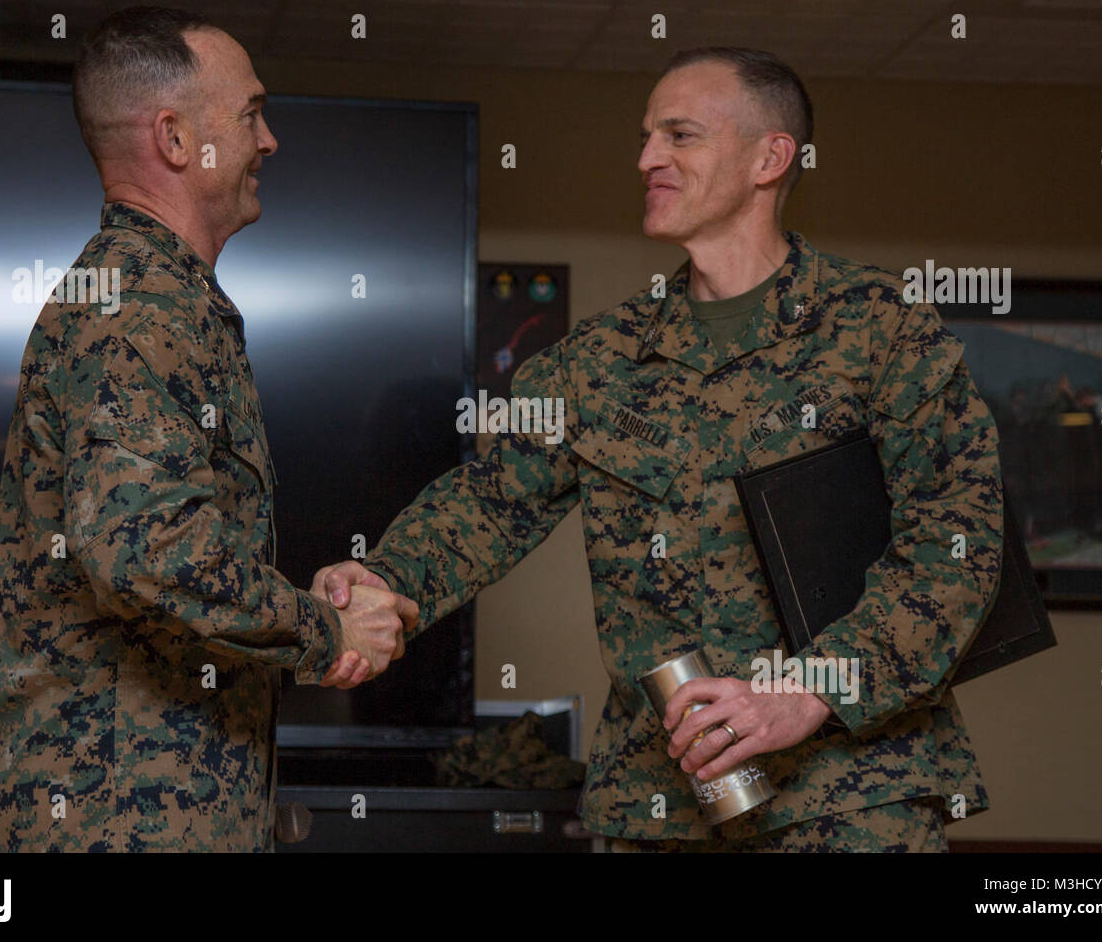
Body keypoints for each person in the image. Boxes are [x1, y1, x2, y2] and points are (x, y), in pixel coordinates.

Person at [316, 47, 1004, 851]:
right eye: (646, 137)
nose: (647, 159)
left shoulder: (882, 329)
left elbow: (959, 544)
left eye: (679, 135)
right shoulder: (599, 361)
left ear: (770, 157)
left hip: (852, 801)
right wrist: (385, 578)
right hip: (660, 805)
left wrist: (810, 690)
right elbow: (491, 503)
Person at [0, 6, 416, 852]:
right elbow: (144, 550)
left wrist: (295, 606)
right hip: (120, 814)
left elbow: (169, 540)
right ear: (175, 140)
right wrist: (327, 634)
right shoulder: (137, 305)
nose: (270, 140)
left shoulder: (156, 296)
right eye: (250, 114)